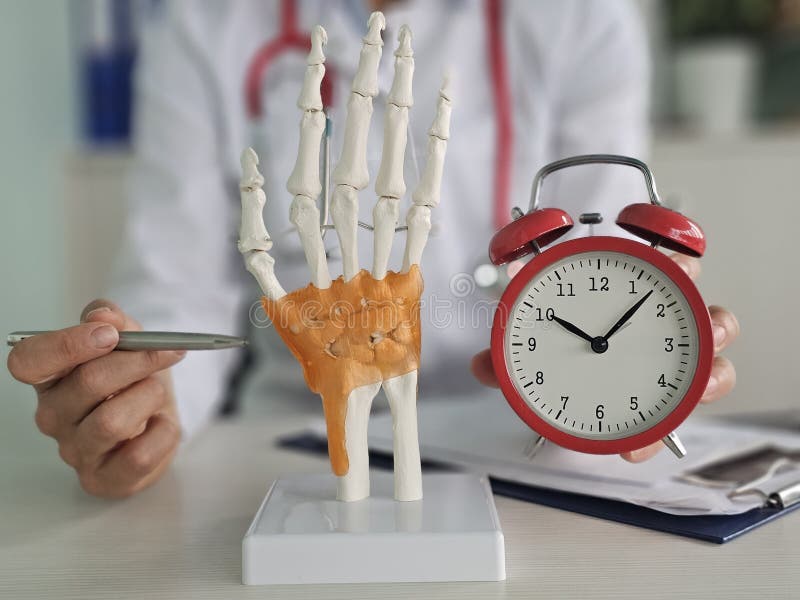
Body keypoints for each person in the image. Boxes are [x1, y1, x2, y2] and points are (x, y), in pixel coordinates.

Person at [7, 0, 738, 498]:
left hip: (531, 440)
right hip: (289, 441)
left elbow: (603, 254)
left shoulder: (581, 16)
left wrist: (634, 360)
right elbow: (177, 283)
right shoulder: (205, 23)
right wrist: (142, 397)